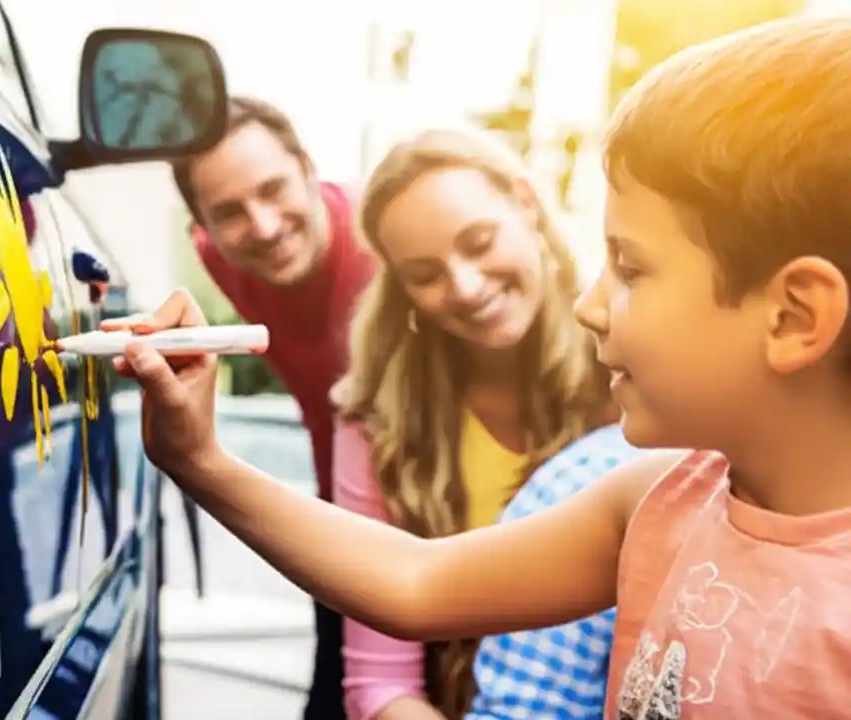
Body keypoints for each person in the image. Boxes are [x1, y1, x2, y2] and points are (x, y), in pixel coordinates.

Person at [114, 17, 851, 718]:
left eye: (629, 267)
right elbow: (416, 579)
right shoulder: (659, 499)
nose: (590, 304)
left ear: (793, 318)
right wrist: (199, 460)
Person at [329, 127, 642, 720]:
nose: (466, 287)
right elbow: (379, 683)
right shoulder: (376, 420)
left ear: (525, 204)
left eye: (479, 242)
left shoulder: (635, 362)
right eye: (425, 274)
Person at [169, 94, 376, 719]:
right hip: (339, 509)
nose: (261, 225)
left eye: (273, 189)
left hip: (438, 515)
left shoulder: (384, 252)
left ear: (309, 169)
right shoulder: (220, 260)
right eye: (229, 212)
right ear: (200, 230)